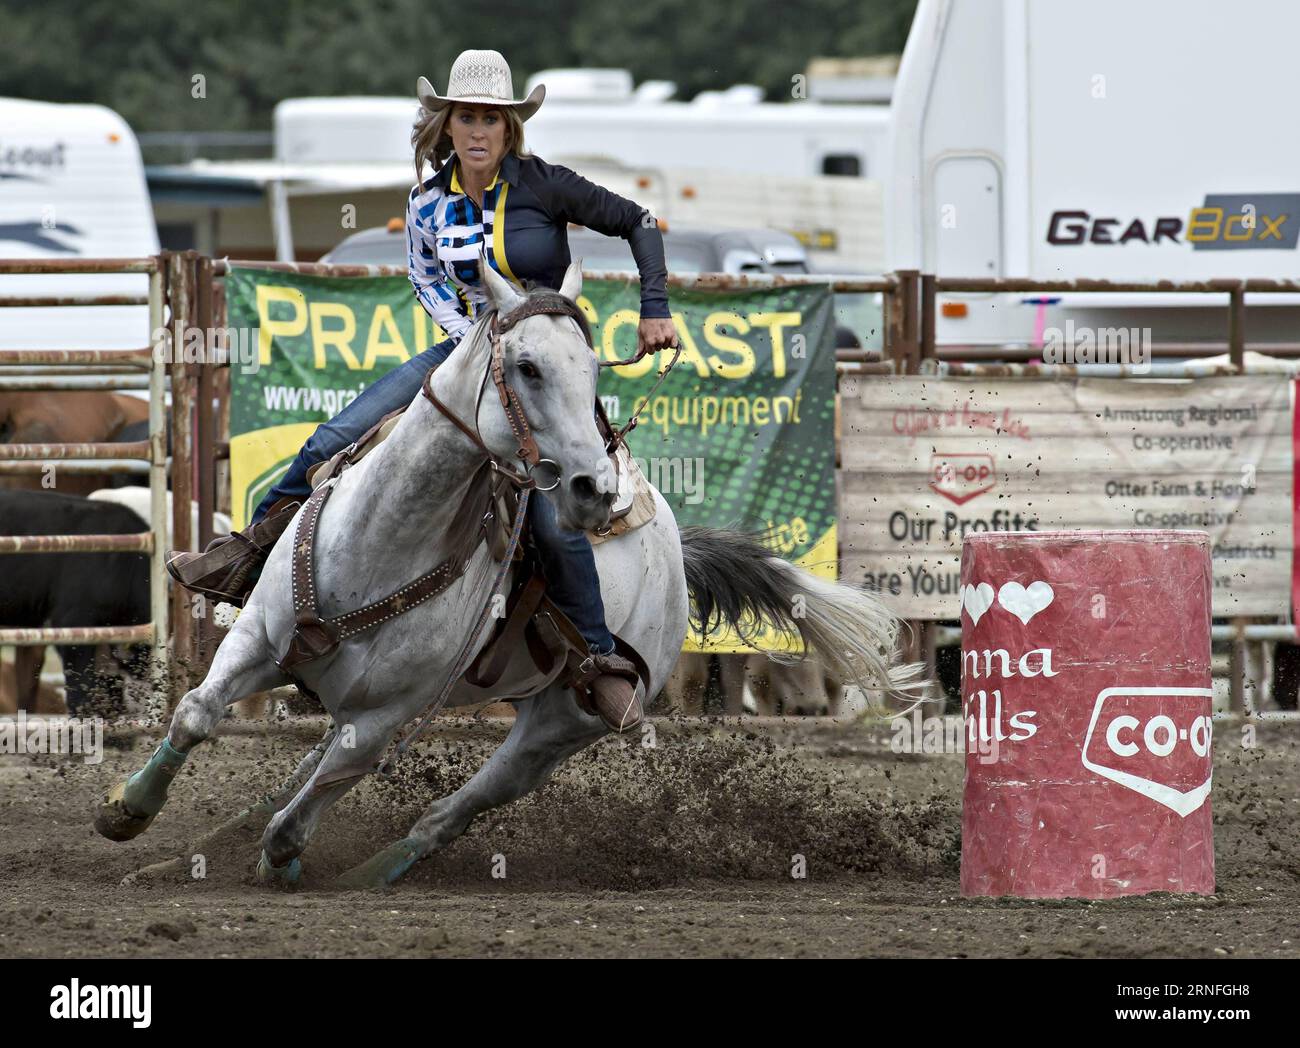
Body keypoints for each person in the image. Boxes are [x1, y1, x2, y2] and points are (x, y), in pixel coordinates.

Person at [167, 49, 678, 732]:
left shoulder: (547, 186)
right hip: (464, 355)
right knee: (334, 439)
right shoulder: (426, 202)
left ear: (509, 129)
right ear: (446, 123)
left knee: (557, 509)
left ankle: (596, 657)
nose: (478, 131)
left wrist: (655, 306)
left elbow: (639, 222)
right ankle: (252, 556)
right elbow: (428, 279)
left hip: (546, 371)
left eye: (491, 120)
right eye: (466, 117)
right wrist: (473, 348)